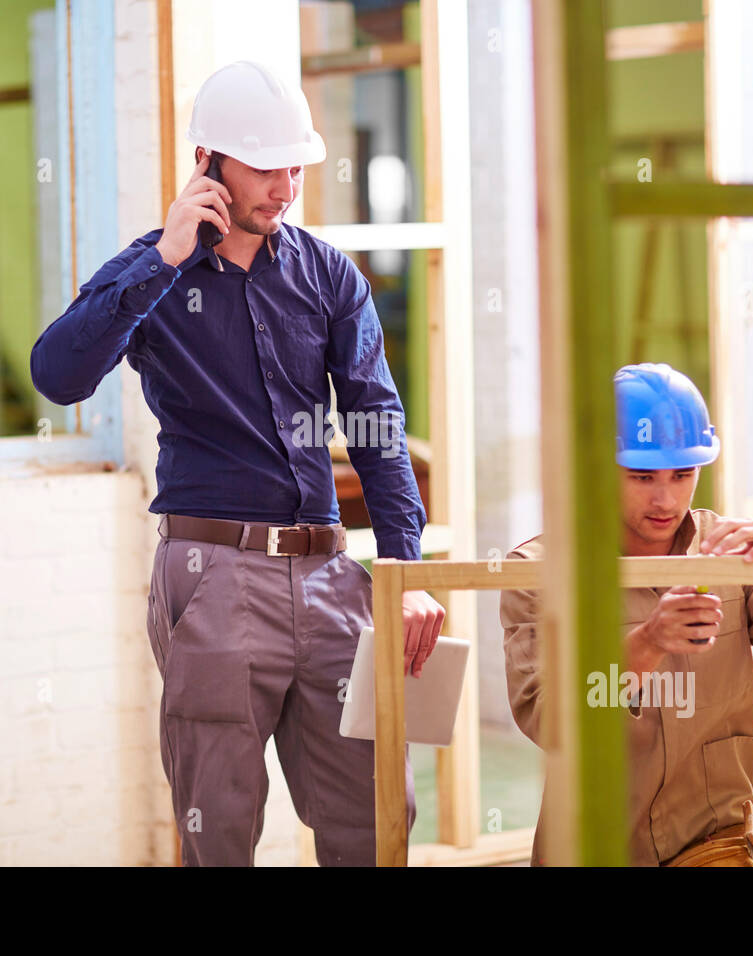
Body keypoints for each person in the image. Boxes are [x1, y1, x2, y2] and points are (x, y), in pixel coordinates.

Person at [30, 60, 444, 866]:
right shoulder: (150, 270)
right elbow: (59, 374)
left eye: (296, 166)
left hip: (331, 579)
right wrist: (165, 260)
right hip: (214, 574)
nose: (286, 186)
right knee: (216, 833)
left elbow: (375, 424)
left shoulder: (328, 275)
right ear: (207, 163)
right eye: (266, 167)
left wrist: (404, 566)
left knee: (376, 821)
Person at [499, 363, 753, 866]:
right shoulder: (540, 572)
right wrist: (648, 642)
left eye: (682, 474)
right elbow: (549, 718)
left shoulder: (728, 552)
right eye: (641, 477)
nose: (666, 499)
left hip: (715, 847)